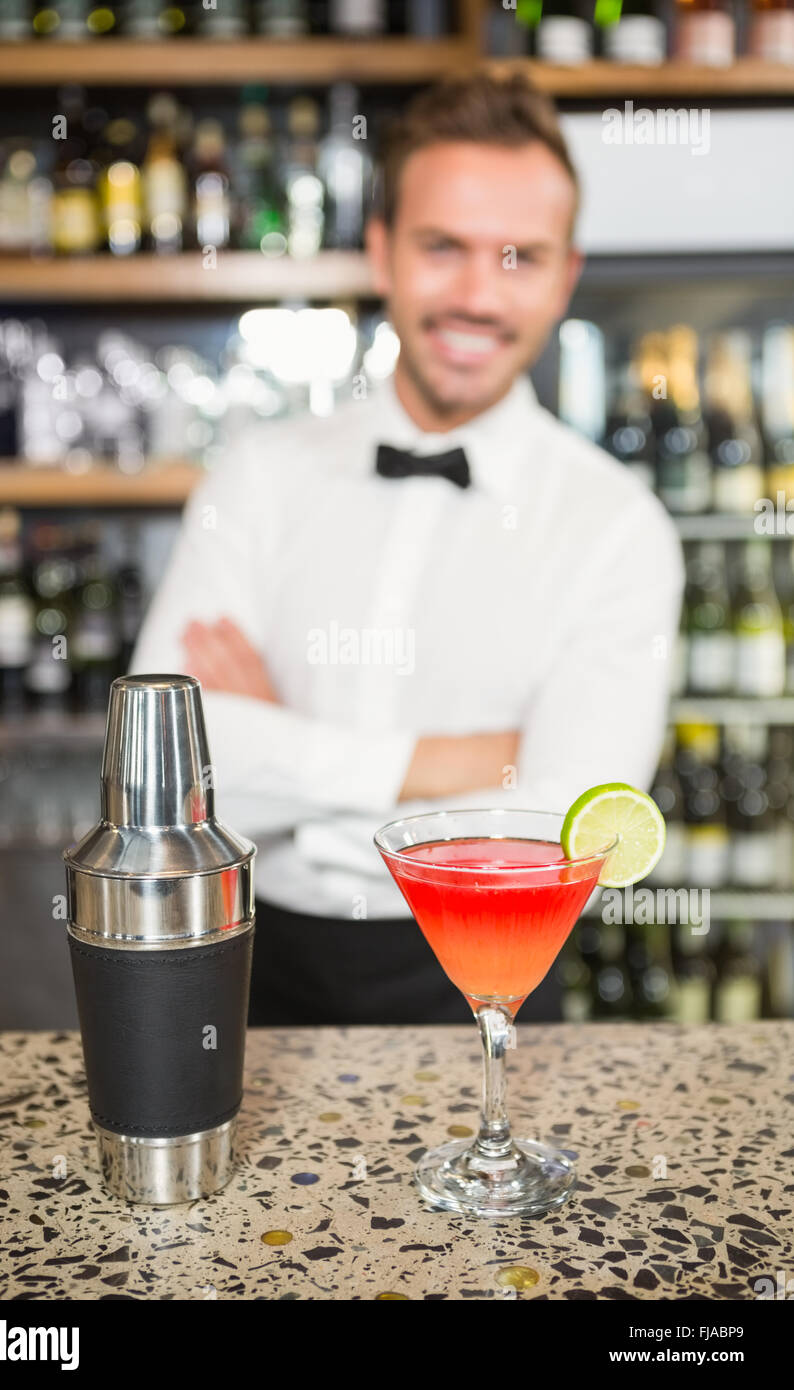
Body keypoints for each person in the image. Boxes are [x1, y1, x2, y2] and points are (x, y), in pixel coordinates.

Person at [131, 74, 685, 1026]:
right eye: (442, 247)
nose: (477, 295)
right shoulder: (257, 477)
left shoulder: (620, 526)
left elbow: (569, 828)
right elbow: (162, 780)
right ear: (381, 250)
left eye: (519, 258)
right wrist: (450, 769)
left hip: (497, 980)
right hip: (249, 965)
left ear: (565, 276)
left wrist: (279, 755)